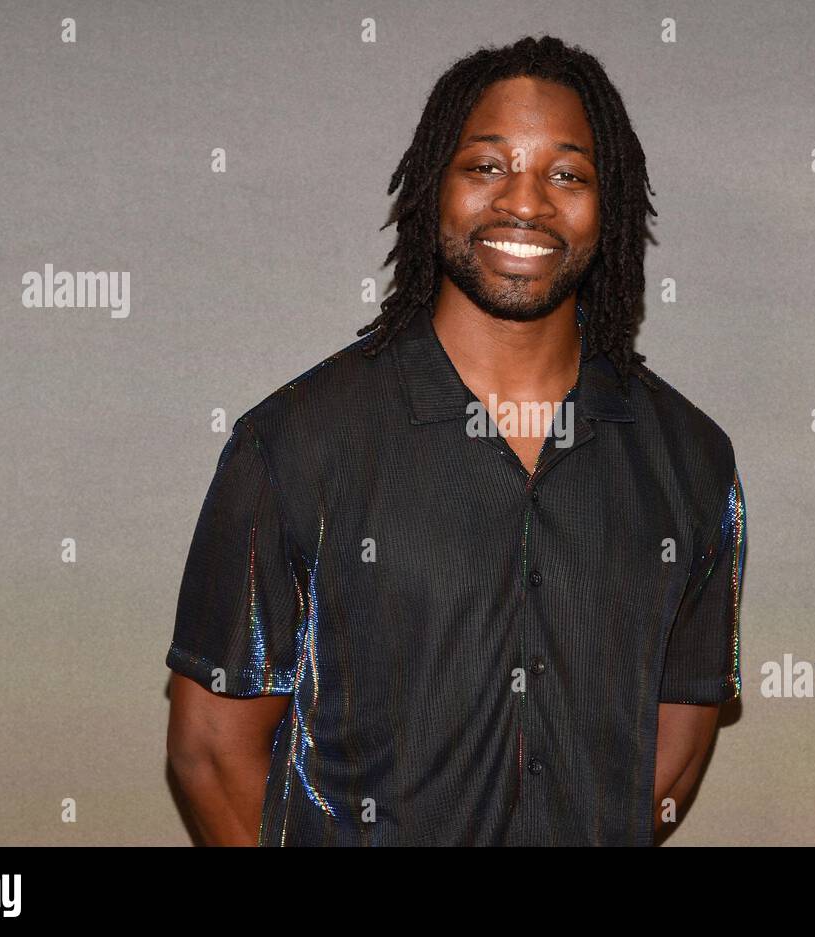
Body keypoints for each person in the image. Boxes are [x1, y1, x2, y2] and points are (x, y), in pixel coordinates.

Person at [164, 34, 747, 846]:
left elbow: (665, 768)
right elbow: (209, 753)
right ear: (433, 187)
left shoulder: (691, 460)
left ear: (608, 209)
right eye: (486, 166)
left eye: (568, 173)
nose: (526, 201)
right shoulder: (295, 443)